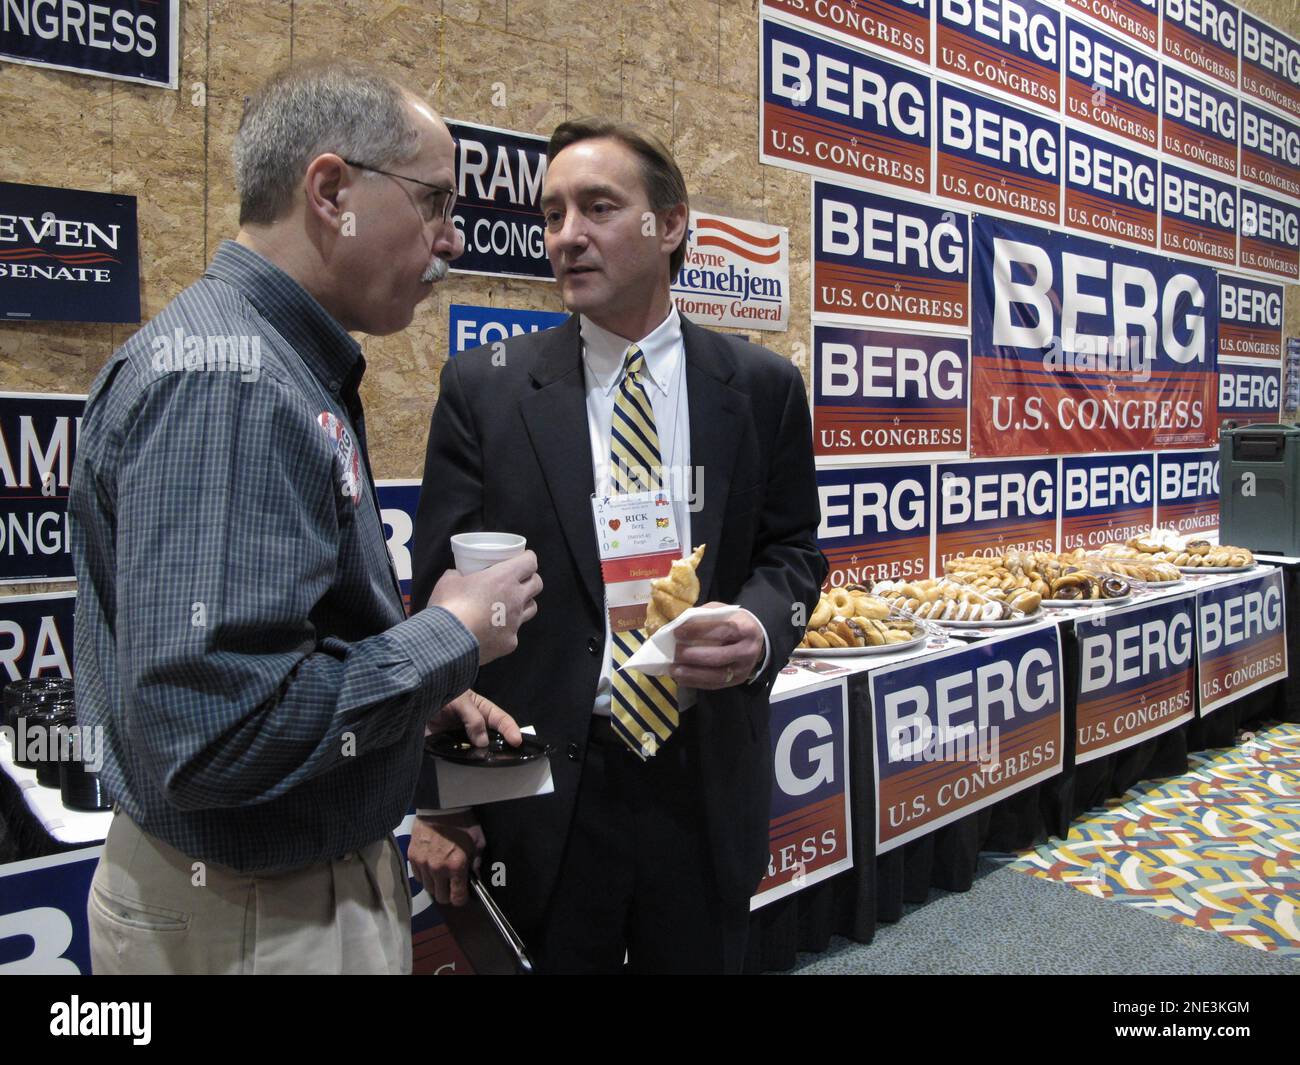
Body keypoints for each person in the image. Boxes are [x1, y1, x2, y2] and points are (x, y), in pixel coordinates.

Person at [68, 60, 542, 976]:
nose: (449, 240)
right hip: (259, 914)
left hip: (263, 901)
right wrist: (448, 635)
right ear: (332, 191)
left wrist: (418, 697)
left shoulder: (265, 362)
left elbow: (274, 661)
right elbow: (218, 734)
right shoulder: (229, 383)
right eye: (435, 201)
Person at [408, 118, 824, 973]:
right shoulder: (485, 394)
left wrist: (759, 630)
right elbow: (437, 610)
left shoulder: (762, 389)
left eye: (598, 207)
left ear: (668, 225)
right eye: (552, 213)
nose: (566, 235)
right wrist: (441, 798)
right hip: (541, 787)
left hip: (702, 779)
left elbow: (793, 553)